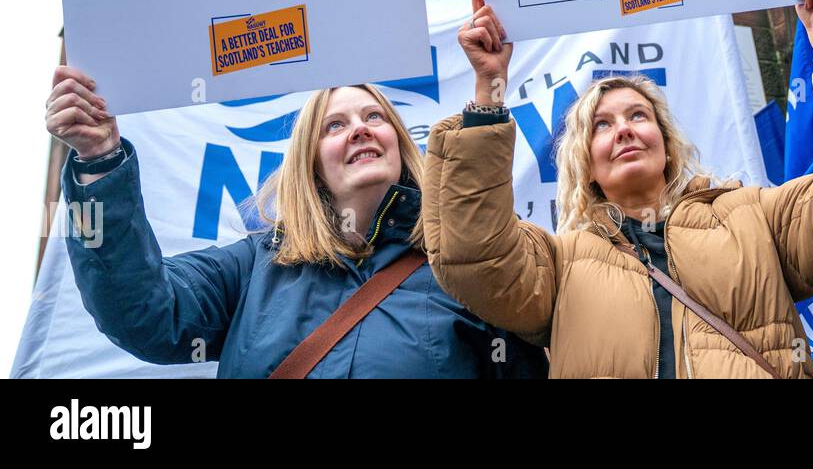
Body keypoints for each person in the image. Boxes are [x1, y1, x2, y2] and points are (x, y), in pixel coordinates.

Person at [422, 0, 813, 378]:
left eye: (638, 115)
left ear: (665, 142)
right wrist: (488, 88)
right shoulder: (557, 264)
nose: (622, 129)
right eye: (601, 124)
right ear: (586, 165)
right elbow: (473, 254)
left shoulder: (753, 217)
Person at [46, 71, 546, 378]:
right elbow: (141, 315)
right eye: (336, 125)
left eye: (375, 117)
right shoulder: (254, 265)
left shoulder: (460, 271)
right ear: (311, 164)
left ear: (398, 142)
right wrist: (99, 163)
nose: (360, 129)